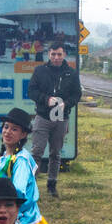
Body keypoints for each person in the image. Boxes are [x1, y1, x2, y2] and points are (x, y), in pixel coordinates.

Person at [28, 42, 82, 198]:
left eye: (59, 54)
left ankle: (52, 185)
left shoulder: (71, 73)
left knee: (55, 153)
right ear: (48, 54)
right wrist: (46, 99)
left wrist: (66, 104)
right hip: (43, 116)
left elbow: (77, 94)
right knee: (37, 152)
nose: (56, 57)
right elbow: (31, 91)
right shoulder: (40, 71)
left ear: (64, 54)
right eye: (53, 54)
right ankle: (31, 186)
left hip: (61, 117)